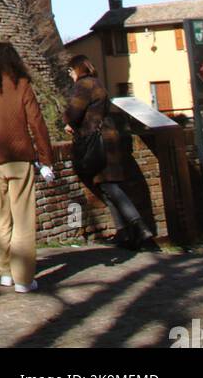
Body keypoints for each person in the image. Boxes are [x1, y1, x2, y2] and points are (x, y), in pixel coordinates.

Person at [0, 39, 54, 293]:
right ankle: (24, 278)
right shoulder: (21, 84)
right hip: (19, 160)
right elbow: (37, 123)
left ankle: (5, 270)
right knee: (23, 220)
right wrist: (46, 159)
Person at [64, 55, 155, 249]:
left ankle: (139, 227)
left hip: (96, 140)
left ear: (77, 69)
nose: (70, 75)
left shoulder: (83, 85)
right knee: (106, 186)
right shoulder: (97, 83)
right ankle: (123, 232)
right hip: (109, 136)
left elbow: (74, 112)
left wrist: (69, 122)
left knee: (110, 186)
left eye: (71, 71)